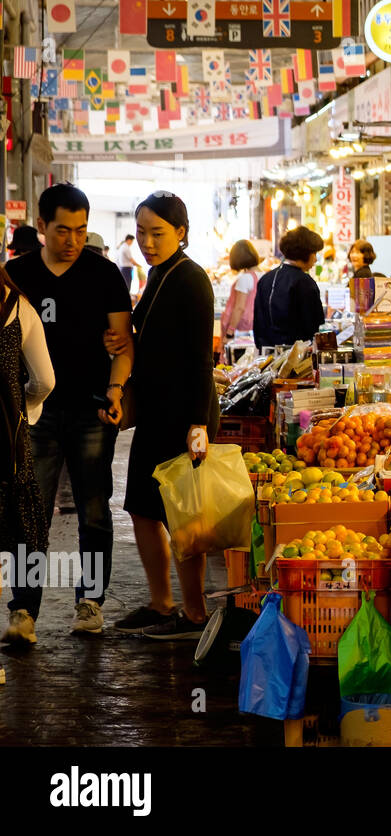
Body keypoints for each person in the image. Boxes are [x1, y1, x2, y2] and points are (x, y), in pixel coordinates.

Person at [4, 184, 134, 639]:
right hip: (33, 414)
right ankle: (23, 611)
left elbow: (123, 344)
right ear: (41, 227)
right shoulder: (15, 275)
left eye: (81, 230)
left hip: (92, 412)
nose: (73, 240)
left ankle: (90, 603)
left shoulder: (105, 275)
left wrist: (116, 389)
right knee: (29, 512)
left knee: (94, 510)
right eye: (63, 230)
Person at [104, 192, 220, 640]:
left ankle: (193, 613)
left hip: (183, 416)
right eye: (142, 234)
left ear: (181, 233)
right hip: (156, 412)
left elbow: (199, 359)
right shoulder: (159, 274)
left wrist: (196, 424)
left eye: (158, 233)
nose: (148, 243)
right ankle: (161, 603)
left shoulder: (191, 280)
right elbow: (146, 332)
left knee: (183, 516)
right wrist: (121, 341)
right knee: (143, 509)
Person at [0, 266, 56, 645]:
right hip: (8, 444)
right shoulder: (18, 308)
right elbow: (45, 380)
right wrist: (25, 408)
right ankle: (24, 613)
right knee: (25, 531)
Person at [253, 226, 325, 350]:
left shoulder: (266, 279)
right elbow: (313, 325)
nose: (315, 258)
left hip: (265, 357)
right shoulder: (305, 283)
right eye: (314, 253)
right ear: (305, 253)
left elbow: (258, 323)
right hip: (297, 358)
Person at [221, 239, 261, 339]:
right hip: (256, 327)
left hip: (242, 331)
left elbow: (239, 307)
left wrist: (230, 331)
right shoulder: (264, 275)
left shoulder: (245, 278)